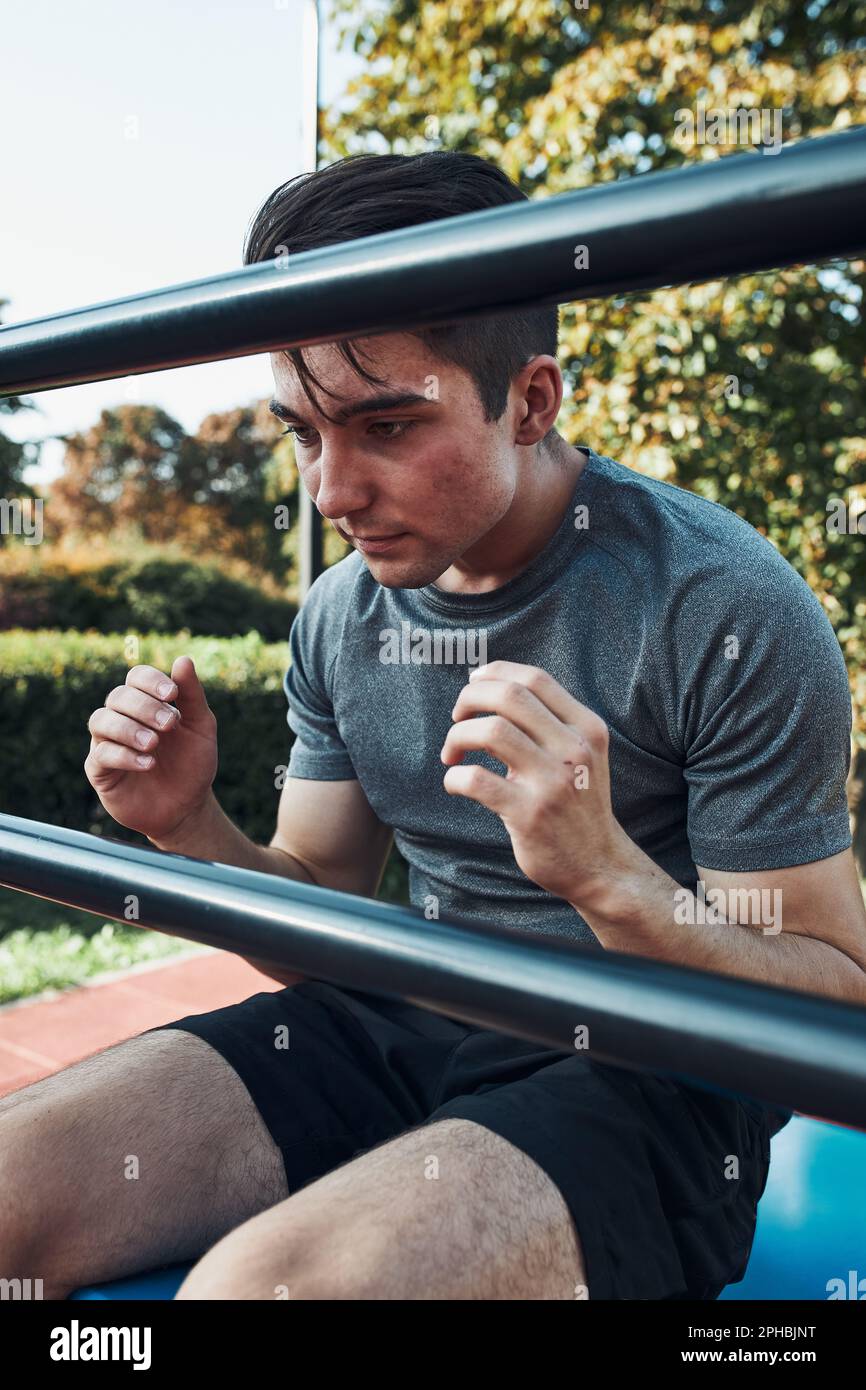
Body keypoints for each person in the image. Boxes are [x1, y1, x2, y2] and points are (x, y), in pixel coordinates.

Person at [4, 152, 865, 1302]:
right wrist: (191, 828)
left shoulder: (721, 605)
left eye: (386, 426)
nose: (330, 491)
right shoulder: (339, 611)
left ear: (531, 399)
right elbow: (312, 891)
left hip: (647, 1071)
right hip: (392, 1009)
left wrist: (609, 879)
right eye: (302, 433)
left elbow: (831, 991)